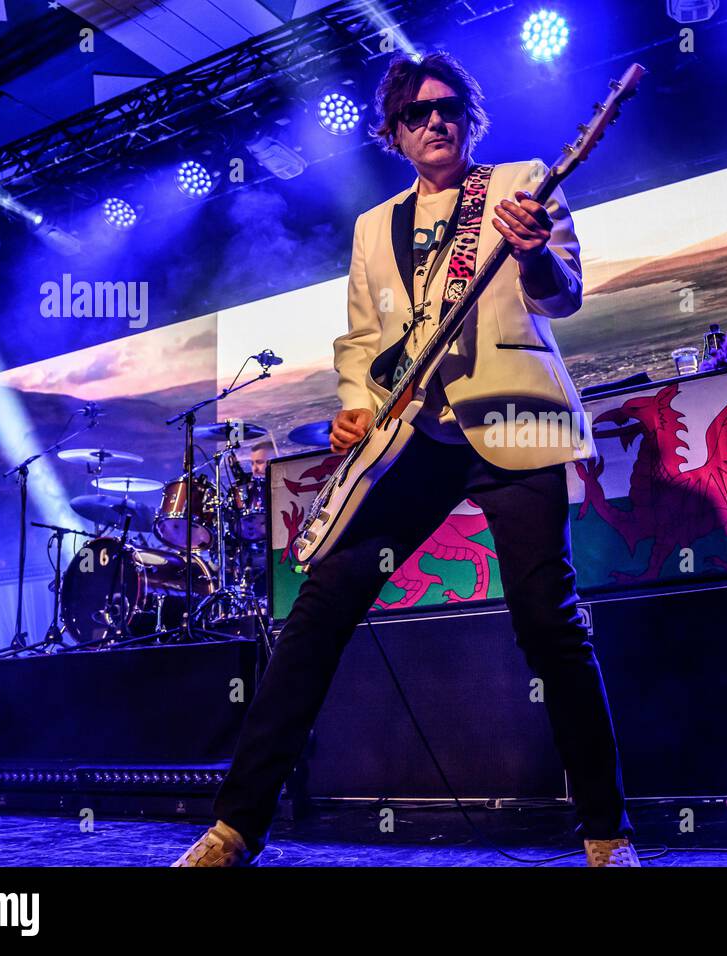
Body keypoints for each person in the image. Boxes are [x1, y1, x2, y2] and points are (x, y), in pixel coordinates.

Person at [174, 50, 637, 868]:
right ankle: (235, 829)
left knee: (548, 621)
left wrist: (530, 252)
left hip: (515, 423)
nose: (436, 121)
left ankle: (606, 835)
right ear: (393, 132)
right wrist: (354, 403)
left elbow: (562, 292)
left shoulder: (521, 181)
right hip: (414, 436)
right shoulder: (373, 227)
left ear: (469, 115)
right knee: (320, 606)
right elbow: (362, 338)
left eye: (448, 106)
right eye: (417, 112)